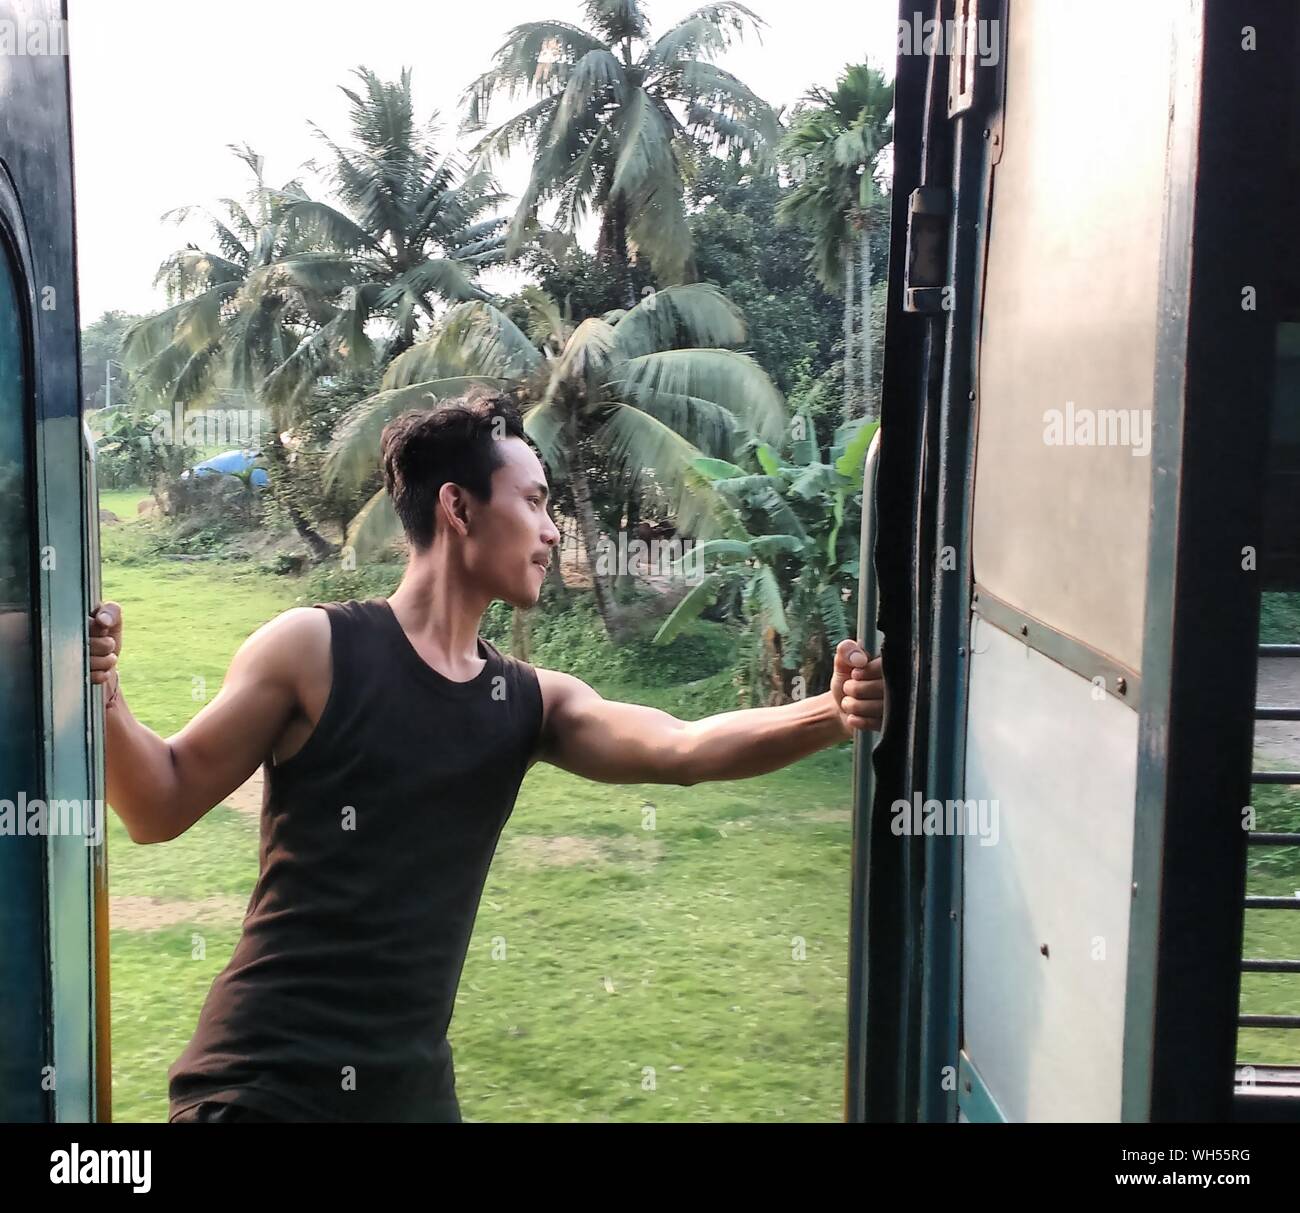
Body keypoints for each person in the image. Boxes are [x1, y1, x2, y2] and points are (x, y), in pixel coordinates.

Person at [88, 387, 885, 1123]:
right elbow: (159, 801)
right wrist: (105, 693)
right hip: (264, 1085)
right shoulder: (313, 650)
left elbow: (684, 748)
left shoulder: (533, 703)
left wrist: (832, 710)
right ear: (457, 507)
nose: (551, 530)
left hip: (411, 1094)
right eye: (535, 502)